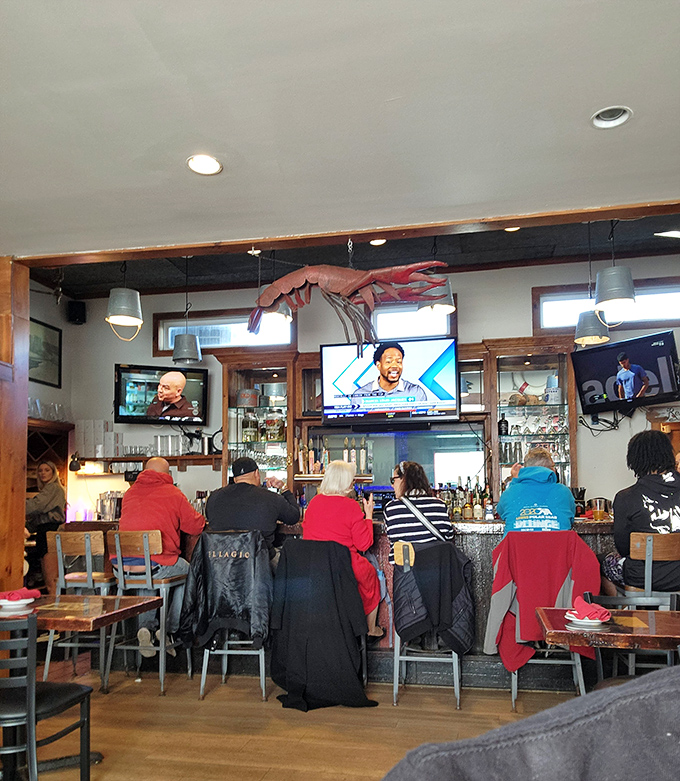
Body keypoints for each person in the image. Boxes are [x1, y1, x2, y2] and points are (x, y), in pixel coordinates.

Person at [115, 457, 205, 656]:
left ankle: (145, 628)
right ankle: (168, 630)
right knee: (188, 571)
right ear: (167, 475)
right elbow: (195, 526)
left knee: (146, 578)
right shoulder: (172, 493)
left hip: (122, 567)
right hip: (156, 564)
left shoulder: (130, 493)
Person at [302, 460, 383, 638]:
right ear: (345, 482)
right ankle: (370, 629)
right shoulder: (351, 506)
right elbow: (364, 544)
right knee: (372, 577)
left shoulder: (313, 504)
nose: (353, 484)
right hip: (345, 567)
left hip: (315, 569)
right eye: (352, 480)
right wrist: (368, 515)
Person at [604, 430, 680, 592]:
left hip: (643, 577)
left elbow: (624, 548)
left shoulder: (626, 497)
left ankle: (624, 612)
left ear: (634, 460)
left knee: (600, 561)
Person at [205, 457, 300, 566]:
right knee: (292, 564)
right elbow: (293, 517)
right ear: (256, 473)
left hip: (222, 566)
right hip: (260, 565)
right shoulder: (270, 498)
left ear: (235, 479)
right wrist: (284, 488)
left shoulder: (213, 498)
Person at [383, 460, 453, 564]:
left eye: (393, 480)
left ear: (404, 479)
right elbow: (449, 538)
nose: (392, 485)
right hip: (438, 575)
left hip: (407, 576)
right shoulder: (440, 506)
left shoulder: (391, 509)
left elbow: (391, 538)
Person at [496, 447, 575, 535]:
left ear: (525, 469)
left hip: (519, 548)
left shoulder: (509, 493)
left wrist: (515, 481)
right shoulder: (564, 492)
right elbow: (571, 517)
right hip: (558, 548)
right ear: (552, 470)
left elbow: (501, 513)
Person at [25, 460, 66, 594]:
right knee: (50, 581)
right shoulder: (49, 489)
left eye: (47, 470)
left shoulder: (53, 488)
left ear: (54, 473)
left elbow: (36, 506)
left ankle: (56, 610)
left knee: (52, 581)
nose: (43, 473)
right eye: (40, 470)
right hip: (45, 532)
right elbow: (37, 518)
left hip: (50, 532)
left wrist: (14, 503)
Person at [351, 342, 427, 401]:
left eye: (398, 362)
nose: (395, 366)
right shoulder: (360, 395)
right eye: (389, 361)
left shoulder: (416, 392)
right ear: (378, 365)